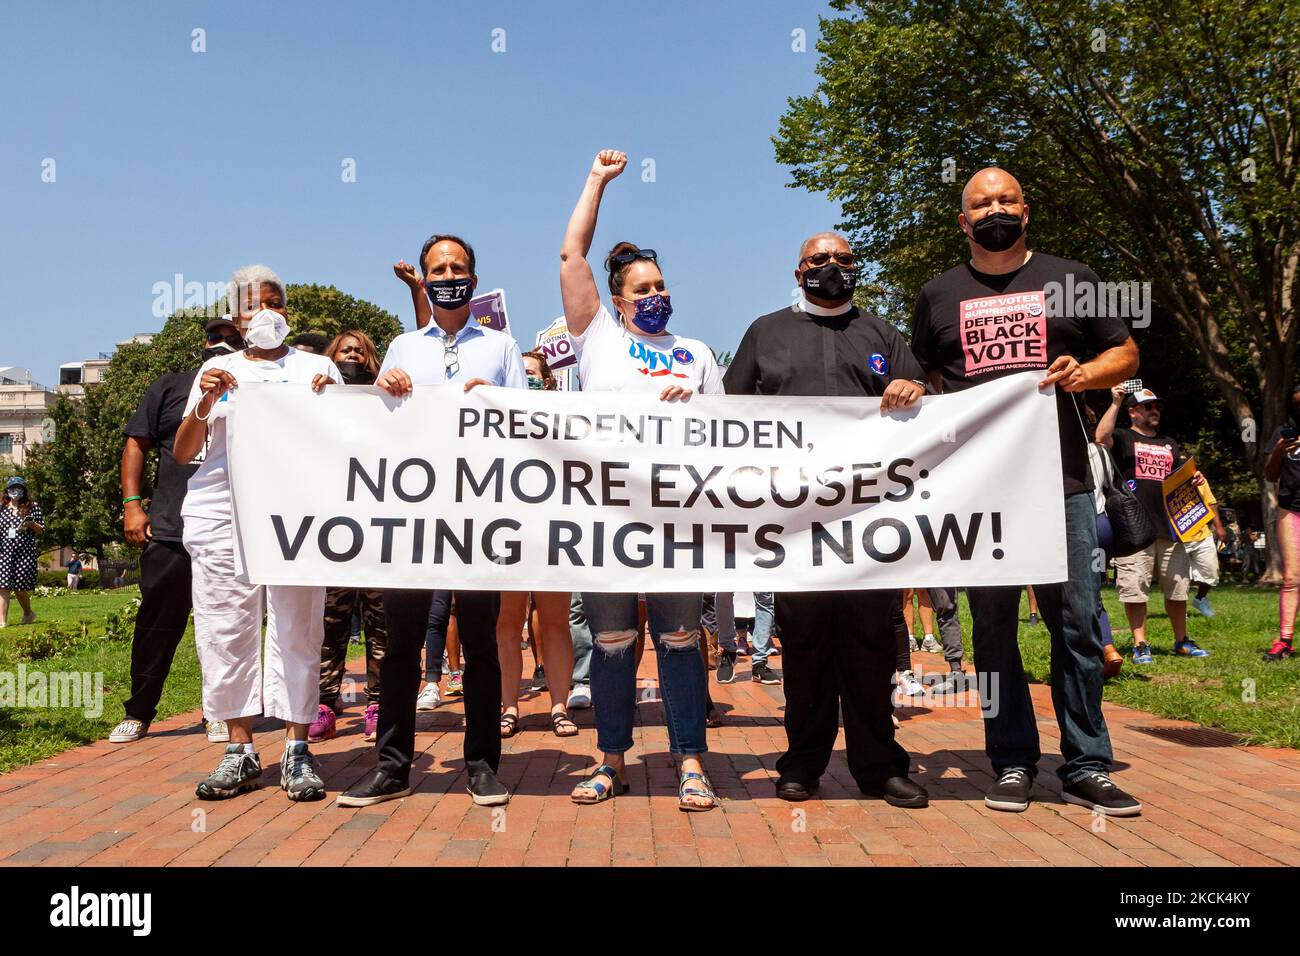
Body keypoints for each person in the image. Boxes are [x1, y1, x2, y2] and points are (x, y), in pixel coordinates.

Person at [910, 167, 1141, 815]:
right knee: (992, 633)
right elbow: (922, 378)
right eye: (981, 203)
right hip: (981, 495)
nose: (995, 209)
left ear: (1026, 210)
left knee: (1075, 624)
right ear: (963, 221)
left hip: (1061, 484)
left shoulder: (1075, 280)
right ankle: (1011, 761)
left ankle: (1086, 761)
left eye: (1006, 199)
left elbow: (1126, 355)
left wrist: (1086, 372)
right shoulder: (936, 295)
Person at [726, 229, 931, 808]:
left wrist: (910, 386)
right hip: (793, 524)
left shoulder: (881, 333)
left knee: (870, 646)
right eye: (819, 260)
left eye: (843, 259)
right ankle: (802, 765)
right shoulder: (765, 332)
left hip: (869, 524)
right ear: (798, 272)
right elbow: (728, 414)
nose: (832, 266)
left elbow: (924, 397)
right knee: (807, 647)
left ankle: (880, 767)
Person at [338, 233, 526, 809]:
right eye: (439, 267)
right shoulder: (402, 346)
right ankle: (392, 766)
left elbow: (527, 424)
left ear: (473, 275)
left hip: (478, 513)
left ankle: (482, 765)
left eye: (459, 266)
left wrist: (497, 397)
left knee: (480, 643)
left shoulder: (502, 346)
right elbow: (379, 427)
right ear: (424, 277)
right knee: (399, 646)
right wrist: (385, 387)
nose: (449, 274)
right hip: (414, 516)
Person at [560, 150, 721, 811]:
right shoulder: (595, 337)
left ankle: (690, 763)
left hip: (677, 519)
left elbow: (732, 434)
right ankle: (611, 762)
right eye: (643, 289)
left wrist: (697, 415)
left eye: (662, 286)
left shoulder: (698, 353)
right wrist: (596, 181)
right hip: (608, 518)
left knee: (681, 641)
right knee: (612, 642)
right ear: (618, 300)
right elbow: (573, 258)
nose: (656, 295)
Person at [172, 265, 340, 801]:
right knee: (225, 628)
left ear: (287, 311)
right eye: (251, 305)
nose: (264, 313)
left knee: (297, 626)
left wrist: (330, 401)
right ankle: (239, 750)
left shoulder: (318, 367)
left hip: (296, 515)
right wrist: (204, 403)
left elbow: (348, 442)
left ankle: (296, 748)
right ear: (236, 319)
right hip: (222, 513)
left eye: (274, 302)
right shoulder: (216, 370)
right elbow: (182, 451)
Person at [109, 316, 244, 745]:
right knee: (157, 622)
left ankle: (218, 711)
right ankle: (139, 712)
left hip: (229, 527)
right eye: (214, 338)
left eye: (231, 339)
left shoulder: (255, 390)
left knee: (223, 623)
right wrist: (133, 507)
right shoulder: (170, 386)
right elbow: (136, 442)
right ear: (202, 345)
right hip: (171, 526)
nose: (220, 345)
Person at [309, 330, 389, 744]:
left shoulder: (386, 399)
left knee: (380, 624)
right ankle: (324, 703)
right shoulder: (318, 395)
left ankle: (378, 704)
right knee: (331, 620)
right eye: (345, 350)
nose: (353, 355)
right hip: (334, 530)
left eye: (360, 350)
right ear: (331, 357)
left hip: (377, 529)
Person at [494, 349, 579, 737]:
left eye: (533, 374)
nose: (526, 379)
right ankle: (509, 706)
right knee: (507, 624)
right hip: (506, 530)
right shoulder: (496, 416)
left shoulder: (564, 416)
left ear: (547, 380)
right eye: (520, 373)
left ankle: (559, 706)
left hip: (551, 530)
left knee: (555, 623)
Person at [1097, 385, 1208, 661]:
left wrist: (1195, 479)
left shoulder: (1170, 443)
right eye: (1148, 406)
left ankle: (1181, 640)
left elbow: (1179, 478)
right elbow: (1100, 437)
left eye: (1157, 406)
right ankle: (1140, 644)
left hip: (1171, 527)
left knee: (1178, 587)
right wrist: (1116, 401)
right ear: (1133, 412)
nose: (1155, 410)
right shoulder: (1122, 437)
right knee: (1135, 589)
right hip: (1134, 528)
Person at [1264, 384, 1300, 661]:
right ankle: (1284, 640)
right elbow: (1271, 475)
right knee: (1291, 578)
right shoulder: (1282, 434)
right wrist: (1278, 451)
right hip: (1292, 511)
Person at [0, 477, 43, 626]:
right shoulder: (2, 509)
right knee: (3, 586)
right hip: (4, 553)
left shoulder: (33, 507)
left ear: (24, 491)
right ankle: (2, 622)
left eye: (19, 488)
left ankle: (28, 613)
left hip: (25, 554)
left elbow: (41, 531)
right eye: (12, 488)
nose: (15, 491)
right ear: (7, 491)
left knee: (19, 587)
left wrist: (31, 524)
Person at [1186, 478, 1227, 619]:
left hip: (1202, 534)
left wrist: (1219, 527)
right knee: (1179, 579)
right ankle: (1179, 610)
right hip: (1177, 538)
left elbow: (1211, 502)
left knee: (1211, 573)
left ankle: (1200, 599)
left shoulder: (1198, 478)